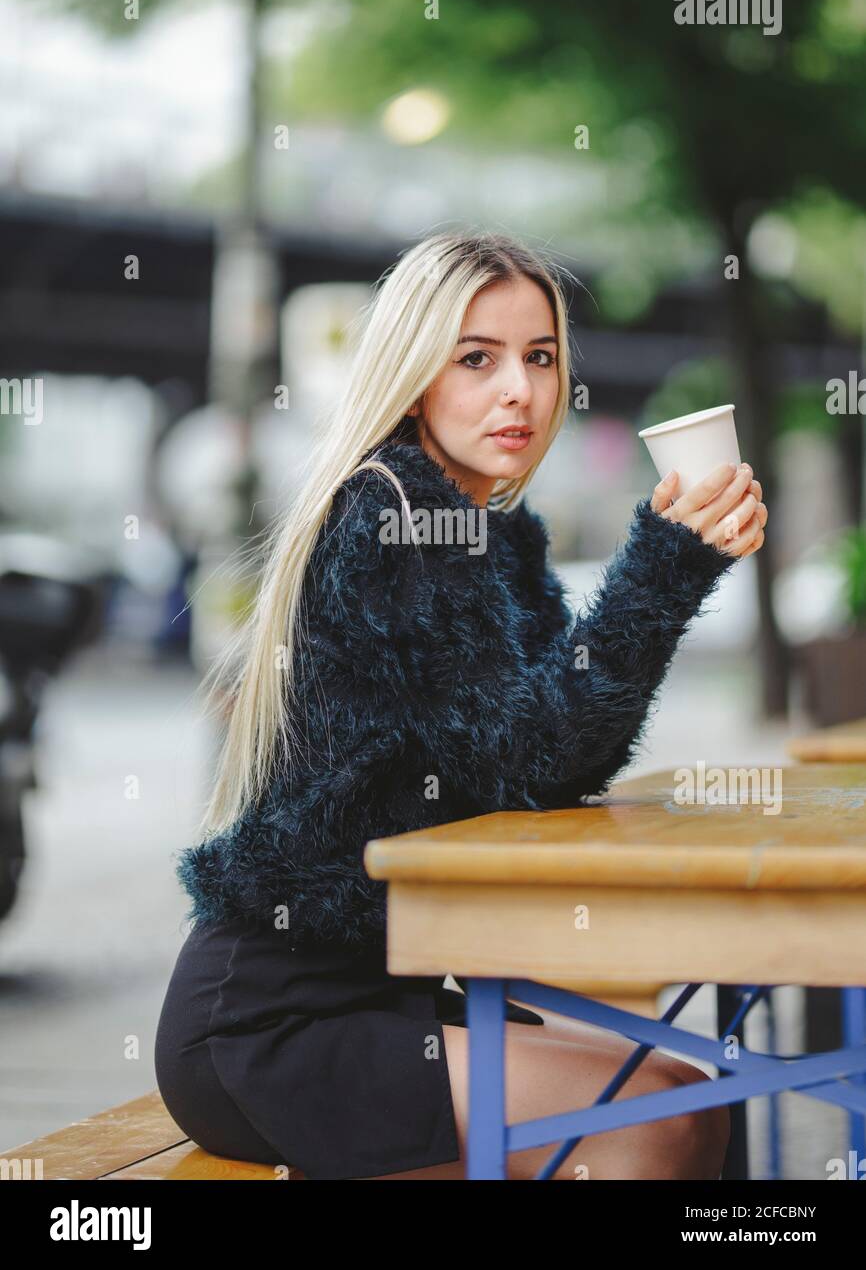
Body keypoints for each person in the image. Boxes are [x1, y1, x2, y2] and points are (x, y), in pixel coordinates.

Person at [154, 230, 767, 1181]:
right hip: (273, 1023)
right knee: (663, 1120)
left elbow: (557, 759)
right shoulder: (388, 512)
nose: (518, 388)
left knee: (690, 1088)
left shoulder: (497, 533)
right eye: (475, 358)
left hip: (385, 997)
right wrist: (668, 564)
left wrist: (675, 566)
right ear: (413, 371)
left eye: (540, 357)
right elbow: (534, 752)